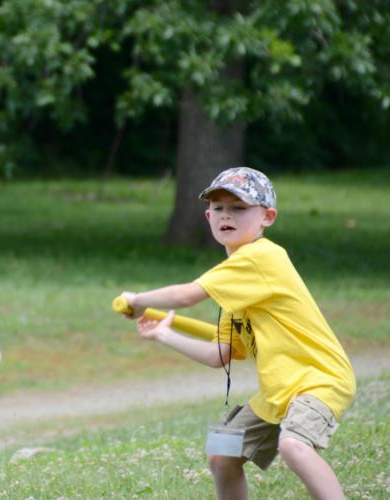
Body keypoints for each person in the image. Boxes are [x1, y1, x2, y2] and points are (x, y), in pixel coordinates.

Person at [119, 166, 355, 500]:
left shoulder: (261, 257)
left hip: (319, 380)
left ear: (267, 217)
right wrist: (164, 334)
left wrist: (138, 301)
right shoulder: (235, 290)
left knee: (293, 446)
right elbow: (220, 355)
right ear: (207, 216)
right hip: (279, 393)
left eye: (239, 208)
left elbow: (186, 295)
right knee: (220, 454)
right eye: (218, 208)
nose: (226, 215)